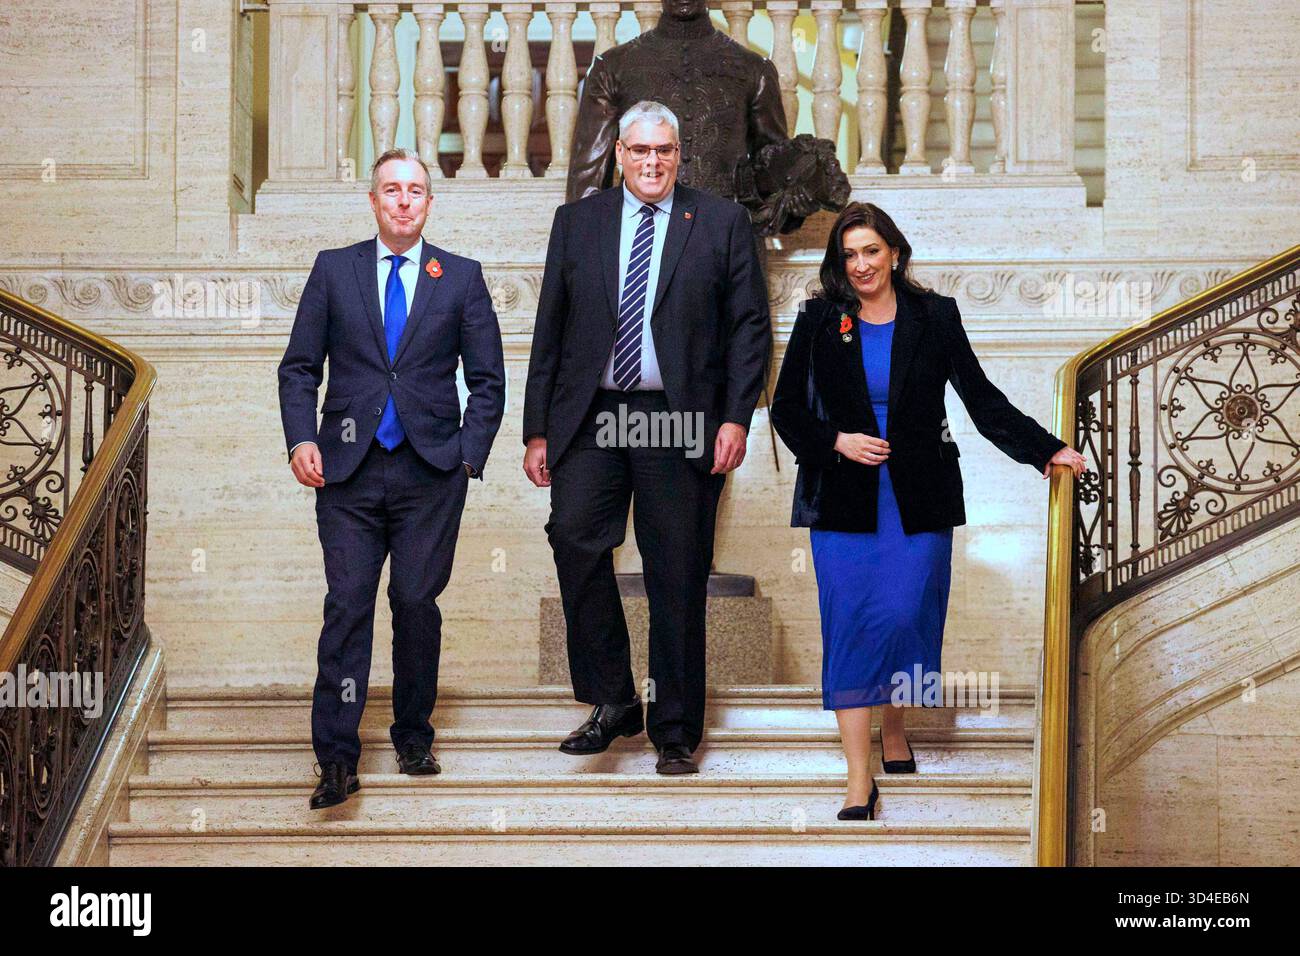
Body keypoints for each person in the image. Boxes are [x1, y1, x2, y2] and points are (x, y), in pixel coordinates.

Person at [770, 202, 1085, 819]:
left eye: (872, 251)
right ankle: (859, 779)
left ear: (894, 252)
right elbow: (786, 409)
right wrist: (836, 440)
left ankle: (896, 724)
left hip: (917, 498)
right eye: (850, 254)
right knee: (853, 624)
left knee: (904, 614)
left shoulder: (934, 315)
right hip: (842, 499)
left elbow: (980, 396)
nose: (861, 264)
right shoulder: (818, 318)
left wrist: (1044, 449)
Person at [523, 101, 770, 774]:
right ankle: (612, 699)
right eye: (640, 151)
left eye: (664, 150)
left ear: (678, 155)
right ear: (620, 155)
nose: (652, 161)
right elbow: (550, 330)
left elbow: (750, 329)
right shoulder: (577, 223)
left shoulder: (719, 222)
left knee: (677, 569)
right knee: (574, 537)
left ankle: (676, 730)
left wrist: (734, 418)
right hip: (593, 416)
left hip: (678, 416)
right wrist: (538, 429)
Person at [278, 148, 506, 809]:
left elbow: (488, 379)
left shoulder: (460, 277)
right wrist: (300, 438)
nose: (403, 200)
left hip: (431, 472)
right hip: (345, 472)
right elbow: (299, 368)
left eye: (414, 191)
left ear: (428, 204)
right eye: (390, 190)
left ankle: (412, 735)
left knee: (414, 604)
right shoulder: (334, 270)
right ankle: (337, 760)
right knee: (347, 606)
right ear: (373, 201)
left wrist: (469, 453)